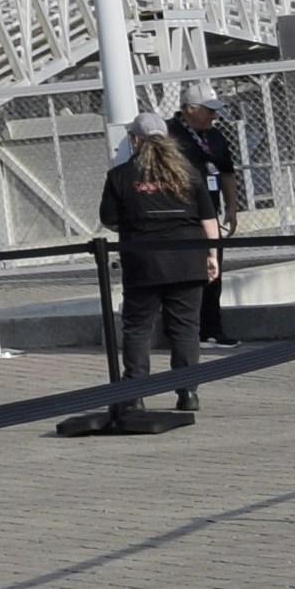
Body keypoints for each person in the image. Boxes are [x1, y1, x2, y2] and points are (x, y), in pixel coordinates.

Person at [98, 119, 216, 419]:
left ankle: (134, 395)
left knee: (138, 327)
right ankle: (188, 391)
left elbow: (110, 219)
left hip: (142, 260)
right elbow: (208, 220)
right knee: (185, 327)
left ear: (134, 140)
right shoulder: (188, 173)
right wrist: (212, 256)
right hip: (187, 258)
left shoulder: (120, 176)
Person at [174, 94, 248, 341]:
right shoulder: (170, 134)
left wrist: (231, 208)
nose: (213, 116)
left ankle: (211, 331)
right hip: (182, 217)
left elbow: (226, 173)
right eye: (208, 110)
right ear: (190, 109)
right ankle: (185, 331)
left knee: (213, 274)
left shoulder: (215, 135)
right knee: (185, 276)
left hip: (209, 215)